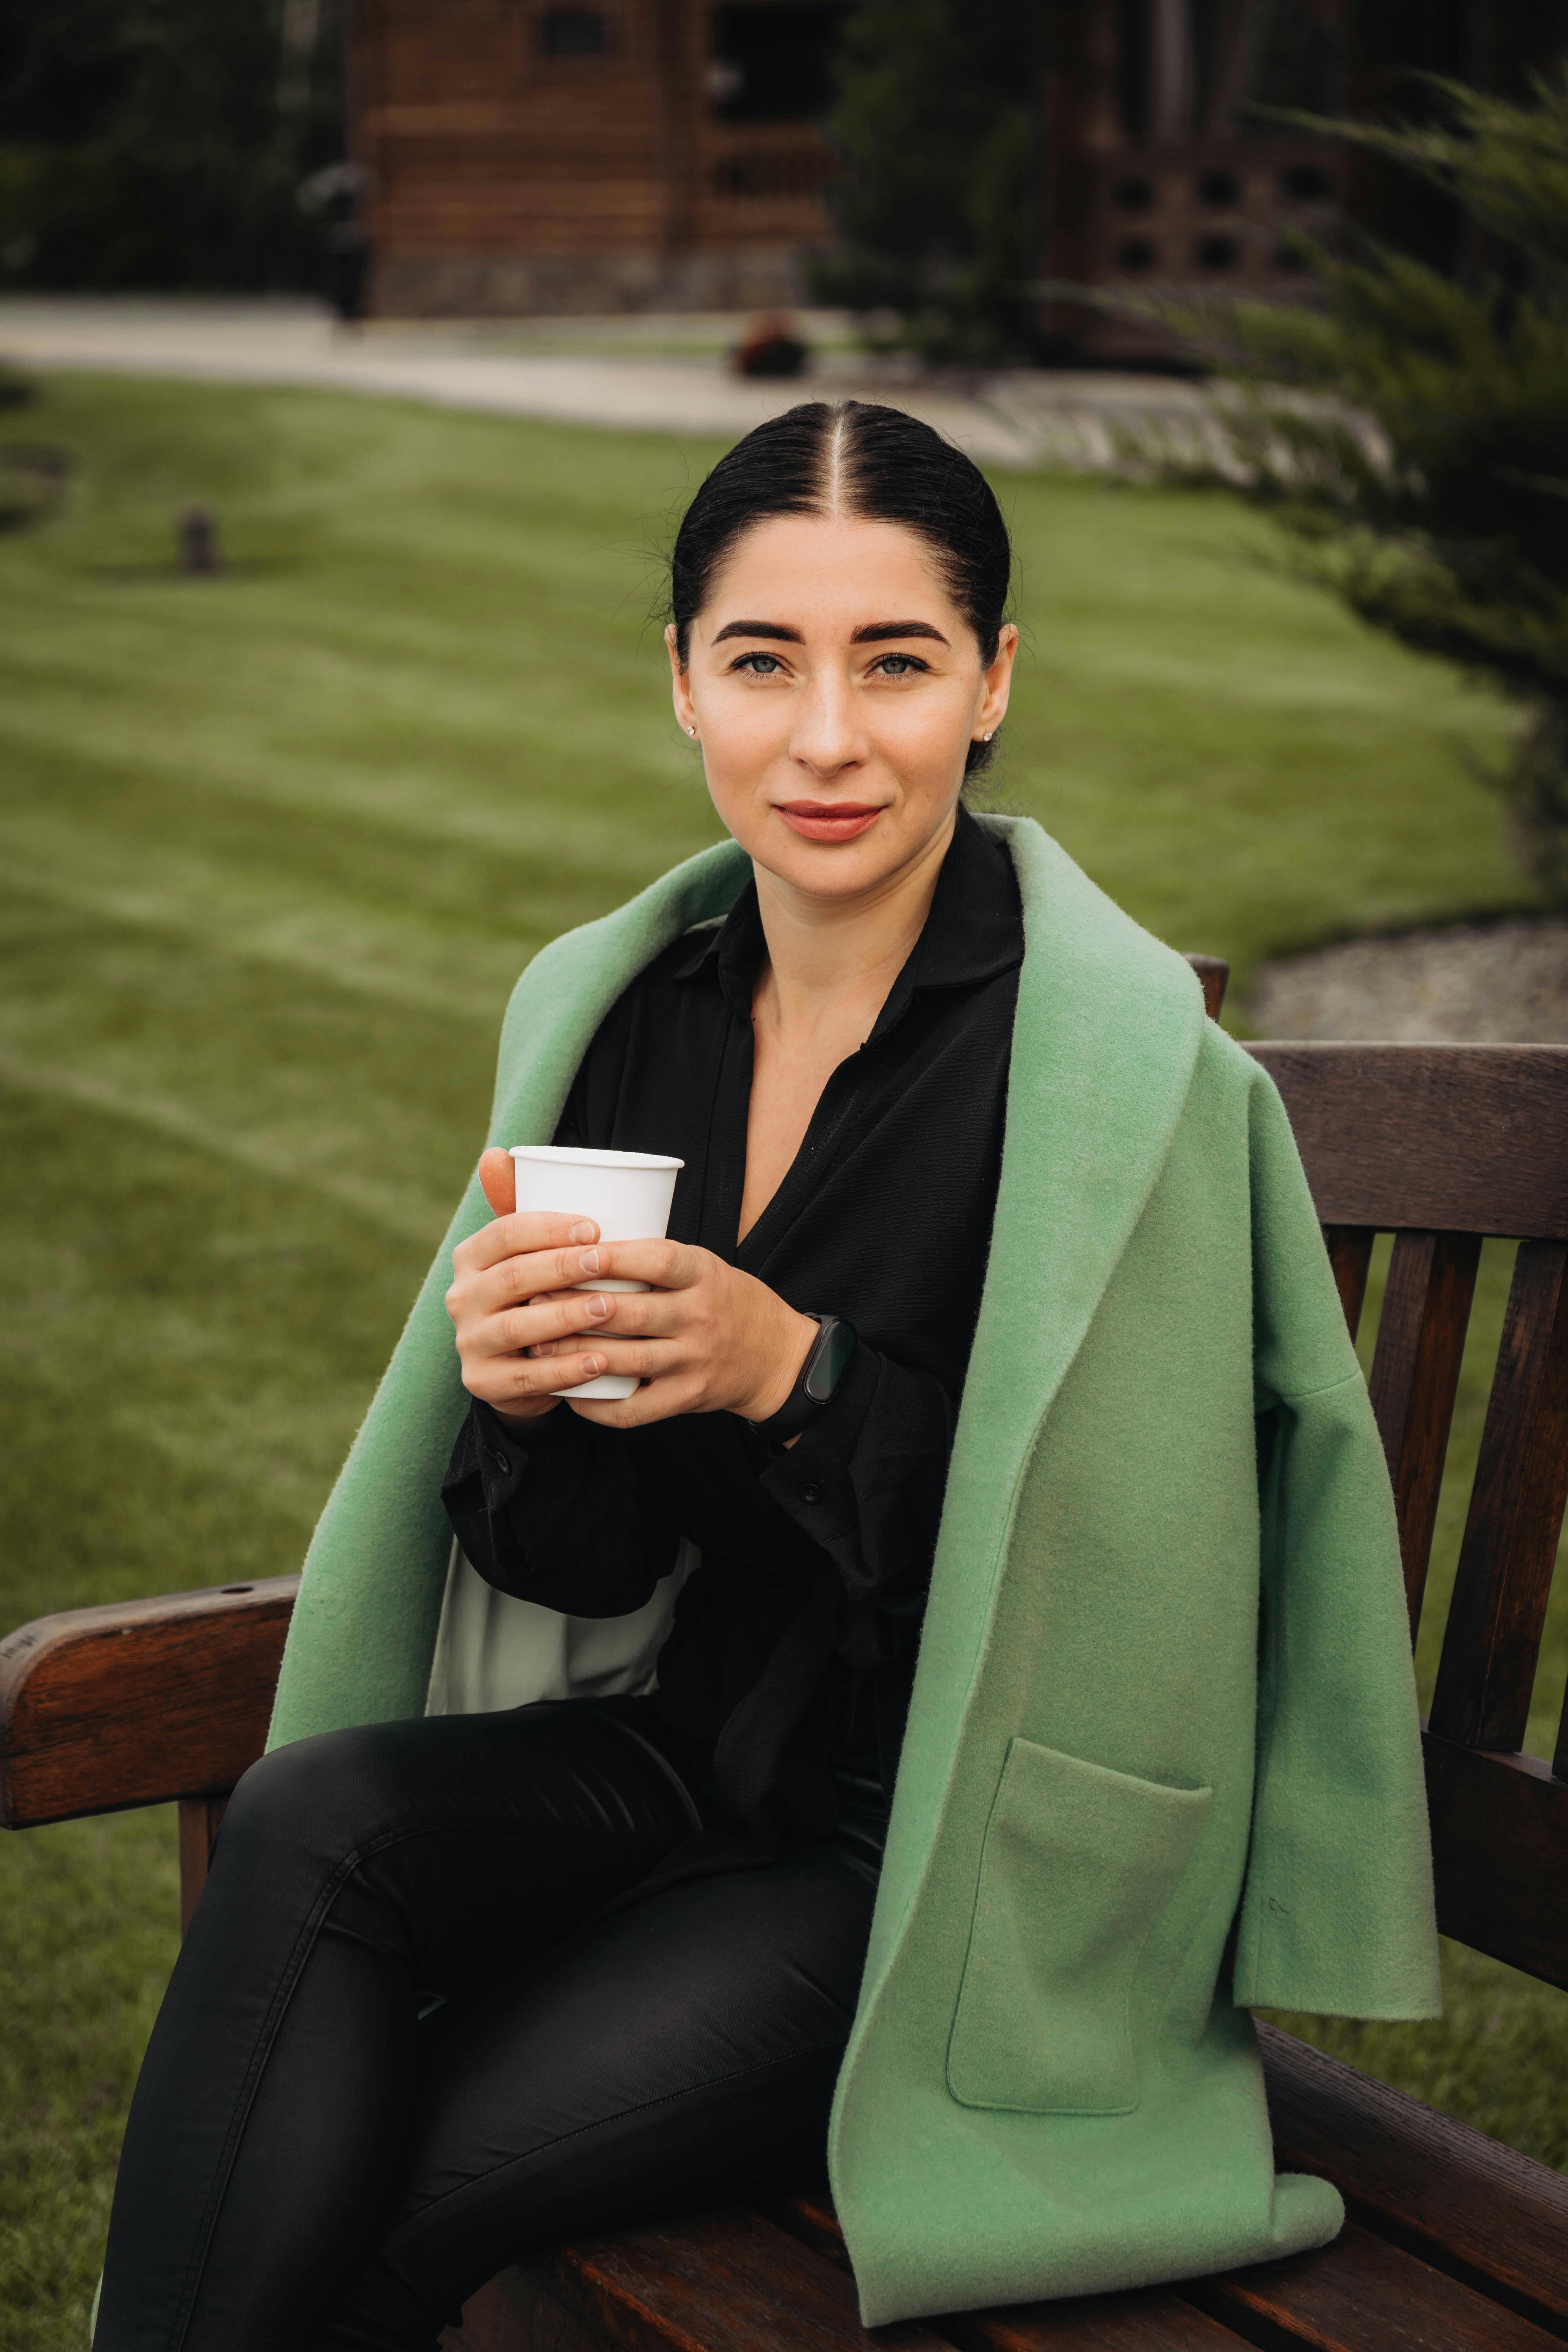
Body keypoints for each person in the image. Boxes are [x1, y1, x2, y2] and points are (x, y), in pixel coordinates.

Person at [93, 403, 1439, 2352]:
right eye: (760, 662)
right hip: (689, 1752)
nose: (825, 738)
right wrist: (525, 1402)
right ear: (680, 683)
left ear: (991, 683)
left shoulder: (1112, 1077)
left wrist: (795, 1376)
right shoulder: (633, 1019)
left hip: (941, 1856)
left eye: (894, 662)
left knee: (387, 2196)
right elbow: (574, 1572)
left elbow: (1128, 1575)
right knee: (311, 1816)